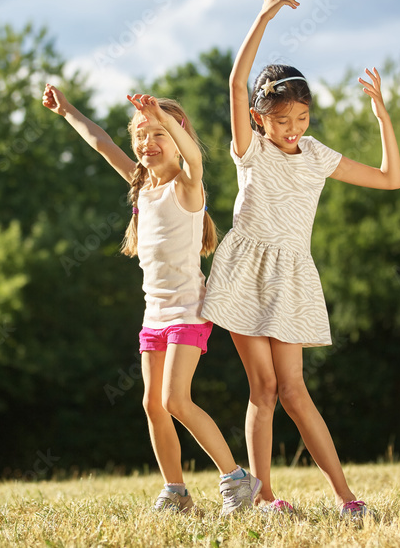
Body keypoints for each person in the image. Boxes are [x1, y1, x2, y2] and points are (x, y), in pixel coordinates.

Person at [201, 0, 400, 518]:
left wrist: (382, 114)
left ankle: (347, 497)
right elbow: (234, 82)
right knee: (262, 388)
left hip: (290, 272)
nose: (293, 129)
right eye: (283, 120)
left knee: (294, 389)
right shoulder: (250, 151)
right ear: (260, 118)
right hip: (245, 269)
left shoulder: (316, 155)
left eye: (302, 117)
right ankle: (264, 498)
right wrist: (263, 16)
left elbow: (390, 179)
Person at [42, 84, 260, 516]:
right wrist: (66, 109)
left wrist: (161, 114)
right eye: (140, 136)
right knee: (152, 404)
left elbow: (195, 157)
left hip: (188, 312)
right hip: (155, 316)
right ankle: (176, 491)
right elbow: (102, 143)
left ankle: (237, 480)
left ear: (178, 138)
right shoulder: (141, 185)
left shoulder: (187, 186)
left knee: (176, 400)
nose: (147, 143)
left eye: (157, 134)